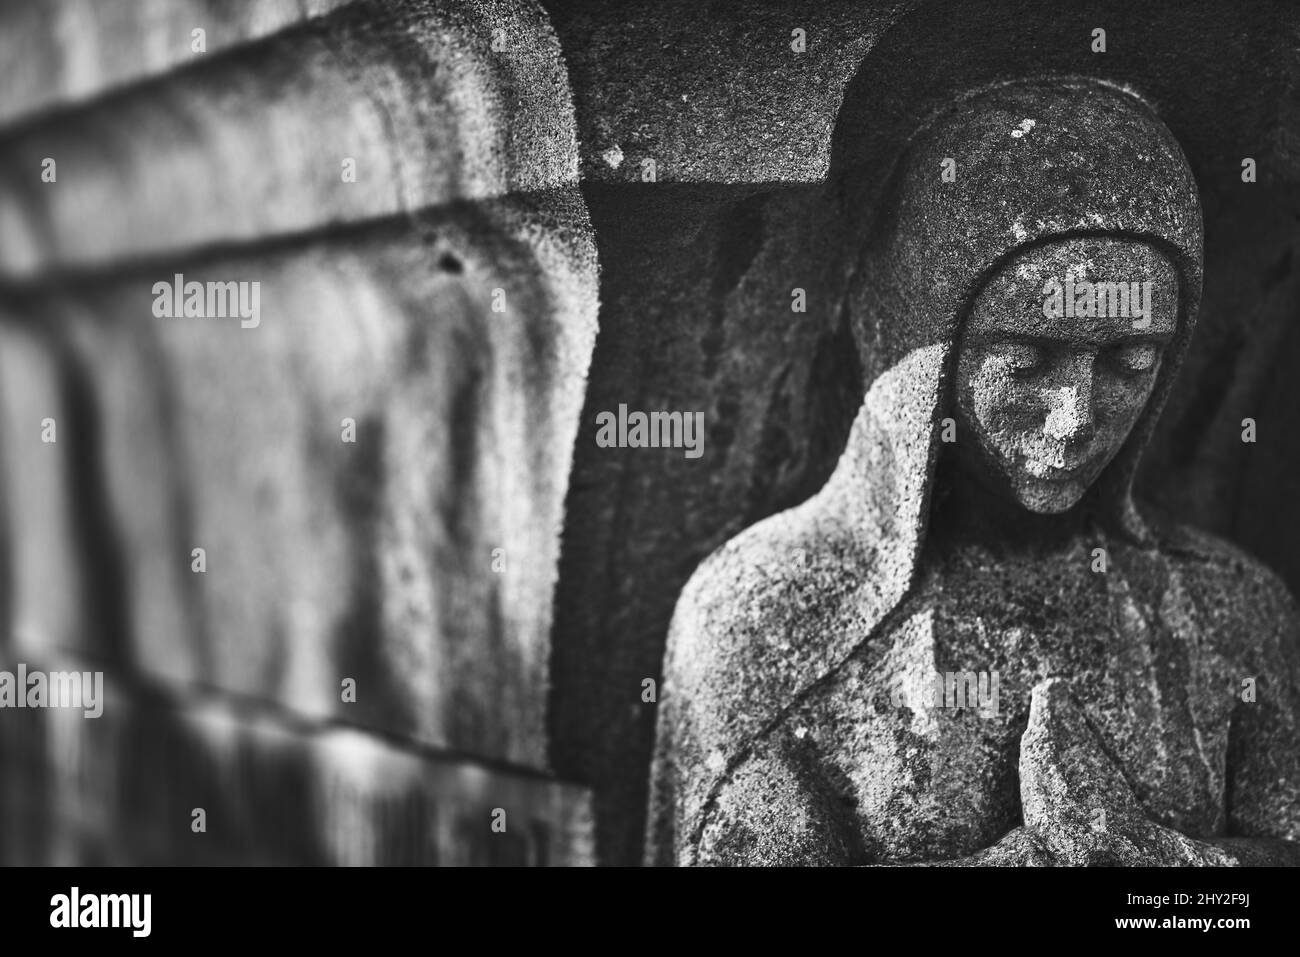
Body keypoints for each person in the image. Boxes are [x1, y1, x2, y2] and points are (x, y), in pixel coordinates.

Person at [645, 76, 1300, 866]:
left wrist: (1167, 867)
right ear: (929, 351)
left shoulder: (1230, 608)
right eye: (1026, 360)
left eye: (1130, 360)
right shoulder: (762, 616)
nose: (1076, 416)